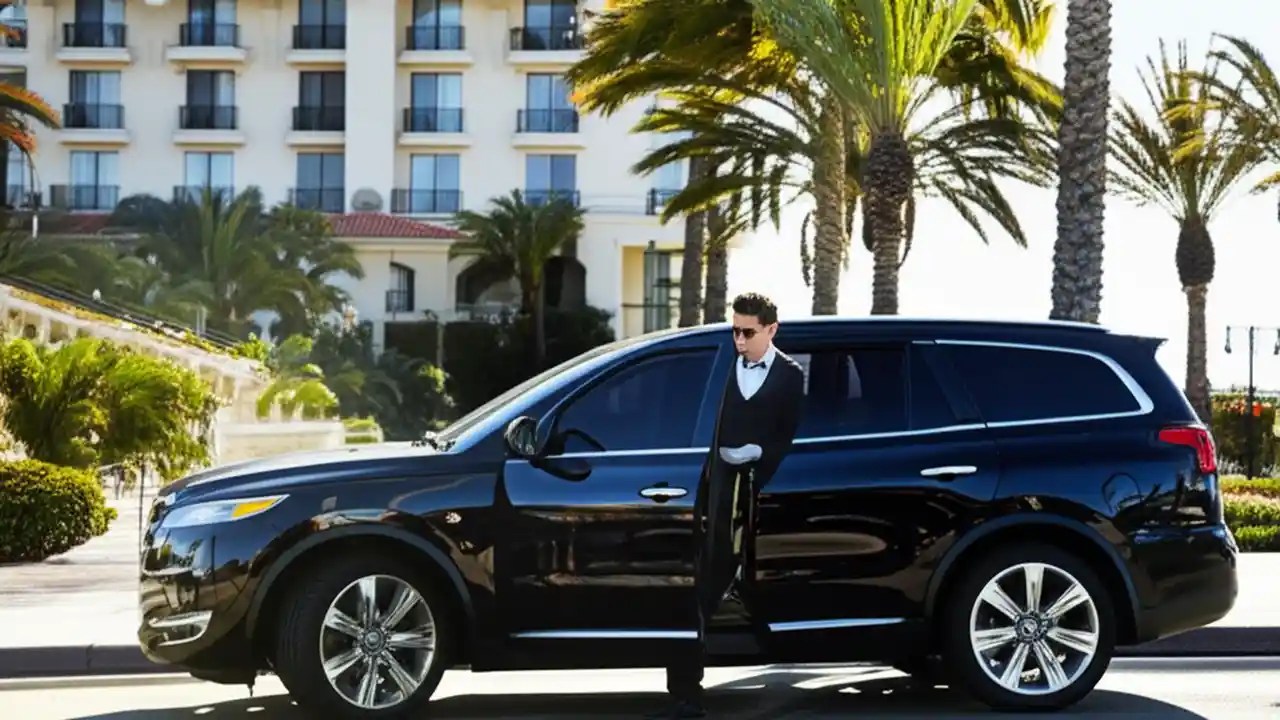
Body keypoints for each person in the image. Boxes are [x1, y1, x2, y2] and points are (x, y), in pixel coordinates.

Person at [647, 292, 806, 719]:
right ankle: (685, 693)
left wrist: (760, 454)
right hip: (714, 494)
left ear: (771, 330)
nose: (739, 340)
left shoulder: (790, 376)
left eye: (748, 332)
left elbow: (788, 435)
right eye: (735, 331)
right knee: (699, 586)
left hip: (761, 495)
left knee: (754, 588)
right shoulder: (721, 367)